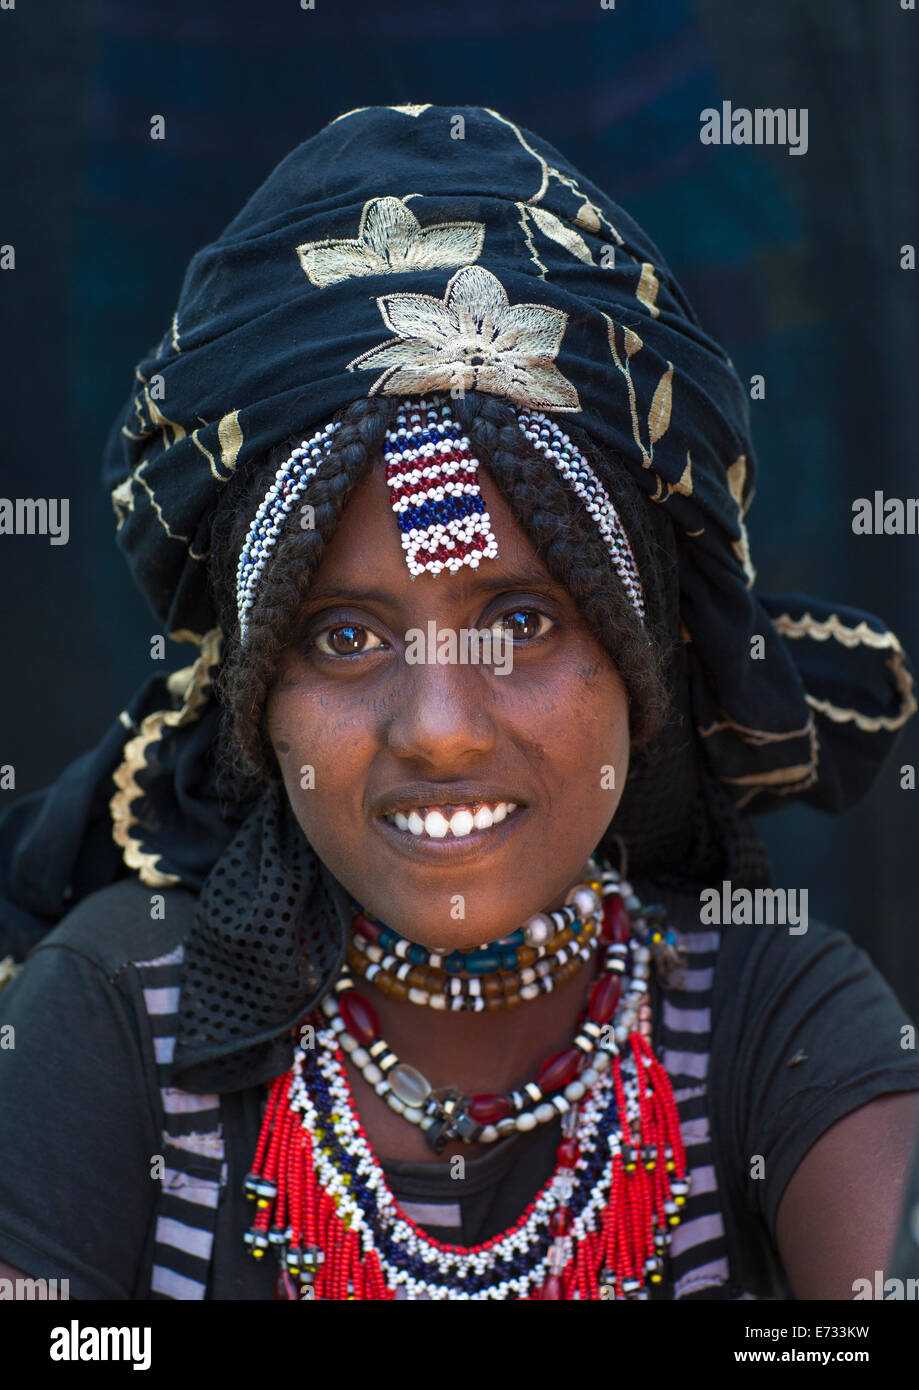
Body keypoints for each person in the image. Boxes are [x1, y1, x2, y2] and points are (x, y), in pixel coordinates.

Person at [0, 104, 918, 1302]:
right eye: (342, 636)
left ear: (641, 664)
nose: (438, 728)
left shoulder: (770, 1019)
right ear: (256, 701)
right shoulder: (121, 1016)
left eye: (524, 622)